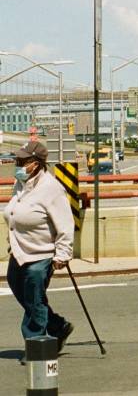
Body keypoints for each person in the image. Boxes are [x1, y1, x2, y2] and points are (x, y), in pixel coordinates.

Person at [3, 141, 74, 363]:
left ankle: (36, 344)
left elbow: (65, 223)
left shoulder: (51, 188)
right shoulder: (21, 183)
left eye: (22, 161)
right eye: (17, 160)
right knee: (19, 288)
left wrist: (63, 253)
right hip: (19, 251)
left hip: (41, 253)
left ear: (35, 164)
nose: (17, 164)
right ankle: (57, 326)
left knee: (34, 294)